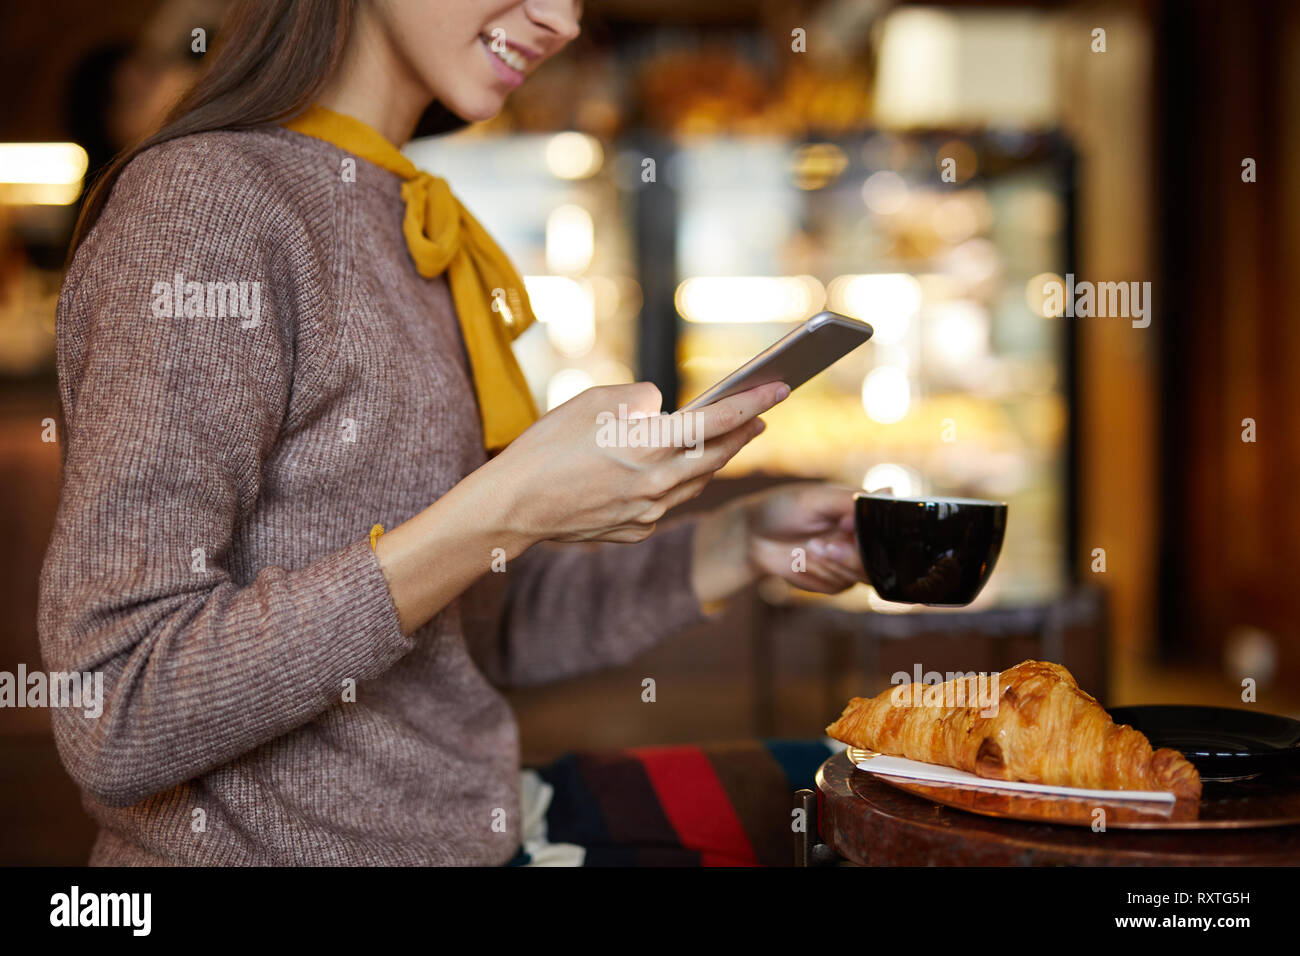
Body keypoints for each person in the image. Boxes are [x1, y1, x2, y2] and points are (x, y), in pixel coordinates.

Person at [39, 0, 864, 866]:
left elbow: (464, 623)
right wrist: (498, 511)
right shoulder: (207, 205)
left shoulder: (416, 218)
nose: (562, 21)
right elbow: (117, 708)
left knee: (857, 794)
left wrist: (735, 543)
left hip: (478, 831)